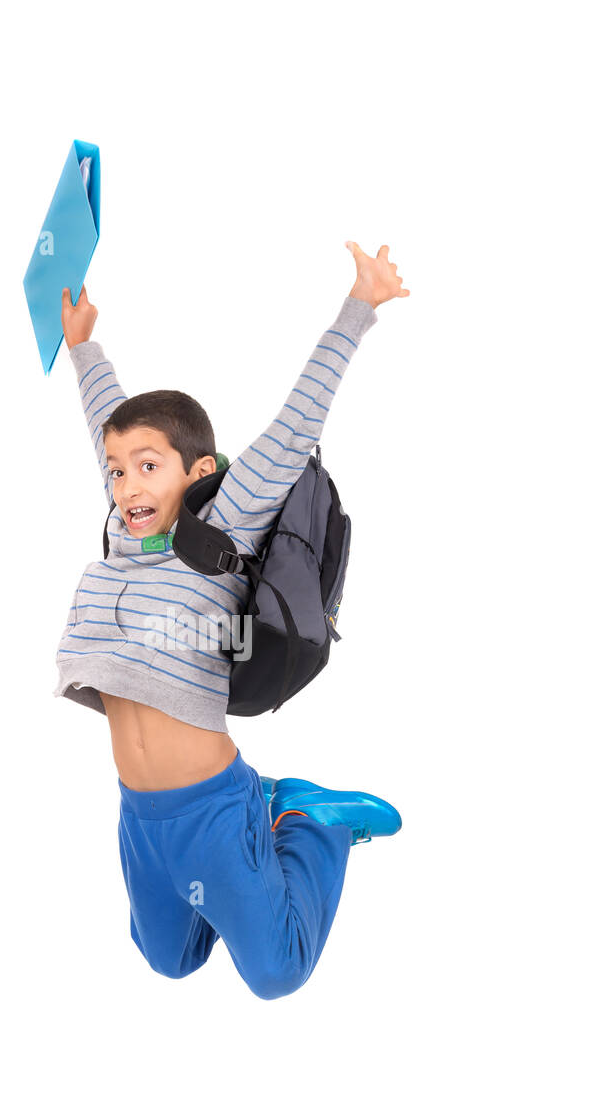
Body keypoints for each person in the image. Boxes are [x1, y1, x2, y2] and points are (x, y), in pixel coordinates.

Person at [55, 241, 409, 1000]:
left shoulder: (221, 532)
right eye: (117, 470)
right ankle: (258, 839)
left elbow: (292, 426)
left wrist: (358, 309)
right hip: (141, 815)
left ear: (199, 472)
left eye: (149, 466)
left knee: (275, 970)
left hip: (212, 805)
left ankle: (306, 819)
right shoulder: (124, 536)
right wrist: (83, 346)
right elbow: (109, 428)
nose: (125, 482)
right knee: (171, 959)